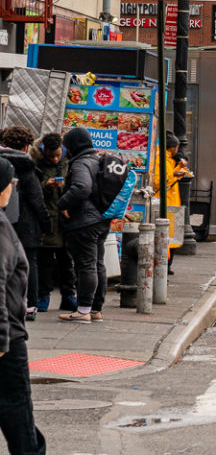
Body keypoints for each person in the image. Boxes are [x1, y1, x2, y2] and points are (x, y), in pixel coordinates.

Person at [0, 154, 75, 455]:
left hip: (8, 328)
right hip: (7, 332)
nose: (13, 188)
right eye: (11, 183)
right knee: (16, 400)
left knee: (13, 401)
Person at [55, 128, 122, 323]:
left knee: (86, 265)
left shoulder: (81, 163)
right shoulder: (96, 160)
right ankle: (95, 310)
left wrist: (62, 204)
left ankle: (83, 310)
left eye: (66, 145)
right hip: (100, 220)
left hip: (84, 222)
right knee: (97, 264)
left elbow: (81, 188)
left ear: (74, 145)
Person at [0, 130, 43, 321]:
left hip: (5, 220)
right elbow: (37, 200)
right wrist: (46, 224)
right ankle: (30, 306)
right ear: (26, 146)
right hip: (27, 224)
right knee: (29, 263)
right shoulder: (28, 168)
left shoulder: (3, 164)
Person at [29, 135, 72, 314]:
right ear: (44, 151)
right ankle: (43, 296)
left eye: (57, 155)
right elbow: (31, 188)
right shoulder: (36, 162)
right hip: (47, 217)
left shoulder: (70, 160)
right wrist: (46, 186)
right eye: (50, 155)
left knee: (67, 261)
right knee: (45, 261)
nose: (54, 159)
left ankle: (69, 296)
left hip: (67, 218)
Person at [149, 134, 191, 275]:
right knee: (166, 236)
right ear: (172, 147)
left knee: (171, 235)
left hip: (170, 202)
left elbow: (169, 176)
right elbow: (159, 181)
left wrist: (179, 168)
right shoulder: (161, 159)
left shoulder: (167, 159)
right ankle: (164, 265)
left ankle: (167, 265)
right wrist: (176, 174)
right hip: (164, 202)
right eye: (177, 147)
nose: (177, 150)